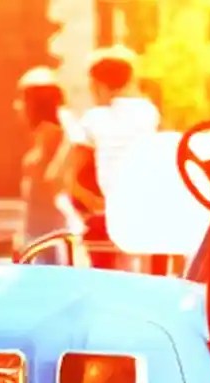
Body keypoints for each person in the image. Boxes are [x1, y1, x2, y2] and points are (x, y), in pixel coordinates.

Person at [62, 46, 160, 241]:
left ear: (97, 84)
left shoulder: (93, 118)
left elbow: (68, 175)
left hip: (108, 212)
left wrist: (92, 203)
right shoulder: (149, 113)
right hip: (144, 207)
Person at [14, 66, 82, 264]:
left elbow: (57, 185)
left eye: (22, 100)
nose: (17, 106)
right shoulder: (45, 140)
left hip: (51, 245)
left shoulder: (58, 139)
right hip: (37, 243)